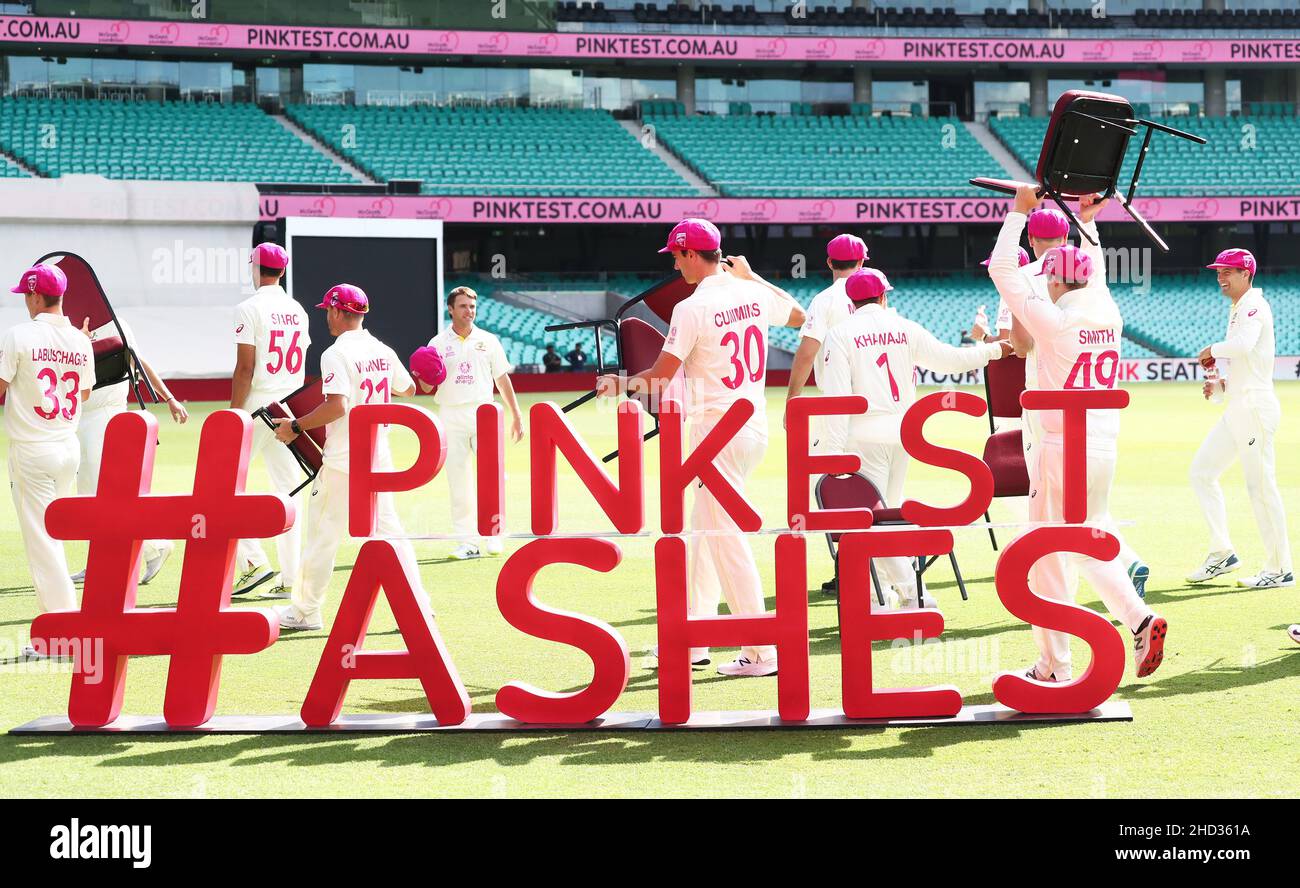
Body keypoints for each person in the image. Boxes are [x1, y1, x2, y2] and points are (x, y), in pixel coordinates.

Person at [598, 218, 805, 677]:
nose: (675, 263)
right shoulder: (749, 292)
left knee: (723, 538)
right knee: (702, 535)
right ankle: (692, 640)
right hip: (751, 427)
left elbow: (656, 377)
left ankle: (762, 650)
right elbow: (798, 316)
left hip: (715, 430)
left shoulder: (691, 308)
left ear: (693, 254)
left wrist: (618, 383)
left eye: (676, 254)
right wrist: (753, 277)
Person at [988, 185, 1166, 681]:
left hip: (1062, 445)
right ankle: (1138, 618)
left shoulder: (1058, 321)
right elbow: (1095, 269)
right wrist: (1087, 219)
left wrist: (1017, 213)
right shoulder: (1107, 310)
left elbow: (1003, 271)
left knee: (1046, 548)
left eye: (1048, 279)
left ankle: (1054, 666)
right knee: (1083, 540)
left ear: (1057, 282)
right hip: (1103, 444)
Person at [821, 267, 1010, 609]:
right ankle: (885, 598)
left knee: (867, 521)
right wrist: (994, 351)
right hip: (905, 434)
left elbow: (837, 399)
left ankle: (910, 593)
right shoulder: (904, 327)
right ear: (883, 297)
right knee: (886, 515)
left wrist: (834, 452)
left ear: (851, 303)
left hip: (864, 437)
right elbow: (951, 360)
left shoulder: (840, 334)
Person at [271, 284, 432, 631]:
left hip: (344, 461)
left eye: (328, 310)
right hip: (379, 456)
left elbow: (337, 406)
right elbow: (408, 388)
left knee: (322, 535)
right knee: (391, 533)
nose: (326, 316)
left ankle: (305, 610)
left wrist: (296, 425)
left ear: (338, 312)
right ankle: (419, 606)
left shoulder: (336, 353)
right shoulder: (382, 349)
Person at [0, 264, 94, 648]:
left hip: (33, 450)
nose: (25, 300)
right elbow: (84, 394)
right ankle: (59, 631)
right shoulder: (79, 339)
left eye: (27, 294)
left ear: (37, 296)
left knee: (43, 543)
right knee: (52, 537)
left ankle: (61, 634)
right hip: (67, 447)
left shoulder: (20, 335)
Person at [1187, 249, 1292, 589]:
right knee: (1202, 473)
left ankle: (1280, 569)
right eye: (1218, 271)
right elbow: (1250, 364)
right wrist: (1222, 384)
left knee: (1261, 488)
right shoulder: (1238, 308)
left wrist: (1211, 350)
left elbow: (1244, 346)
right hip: (1239, 408)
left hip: (1255, 411)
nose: (1221, 277)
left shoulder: (1253, 305)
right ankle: (1222, 553)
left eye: (1228, 271)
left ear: (1247, 274)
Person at [72, 315, 187, 587]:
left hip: (107, 414)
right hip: (83, 417)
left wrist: (169, 397)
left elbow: (138, 359)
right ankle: (99, 560)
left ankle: (155, 545)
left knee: (110, 493)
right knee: (88, 493)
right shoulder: (70, 327)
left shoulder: (115, 323)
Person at [784, 233, 867, 595]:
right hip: (876, 404)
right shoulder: (875, 292)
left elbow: (806, 352)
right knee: (873, 484)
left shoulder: (825, 299)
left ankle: (850, 567)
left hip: (836, 406)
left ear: (830, 263)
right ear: (863, 261)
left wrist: (793, 399)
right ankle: (875, 566)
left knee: (837, 487)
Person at [229, 242, 311, 598]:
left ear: (255, 268)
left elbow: (245, 368)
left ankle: (254, 560)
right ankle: (291, 578)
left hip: (259, 403)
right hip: (289, 407)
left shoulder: (248, 308)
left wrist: (234, 412)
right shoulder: (298, 309)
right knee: (288, 493)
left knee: (225, 486)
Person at [421, 286, 525, 560]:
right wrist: (421, 372)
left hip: (484, 413)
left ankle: (494, 535)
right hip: (450, 414)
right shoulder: (437, 343)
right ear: (451, 309)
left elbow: (502, 379)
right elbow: (426, 384)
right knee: (458, 480)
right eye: (463, 306)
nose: (469, 311)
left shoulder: (488, 340)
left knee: (492, 477)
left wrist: (516, 414)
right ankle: (466, 541)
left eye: (472, 306)